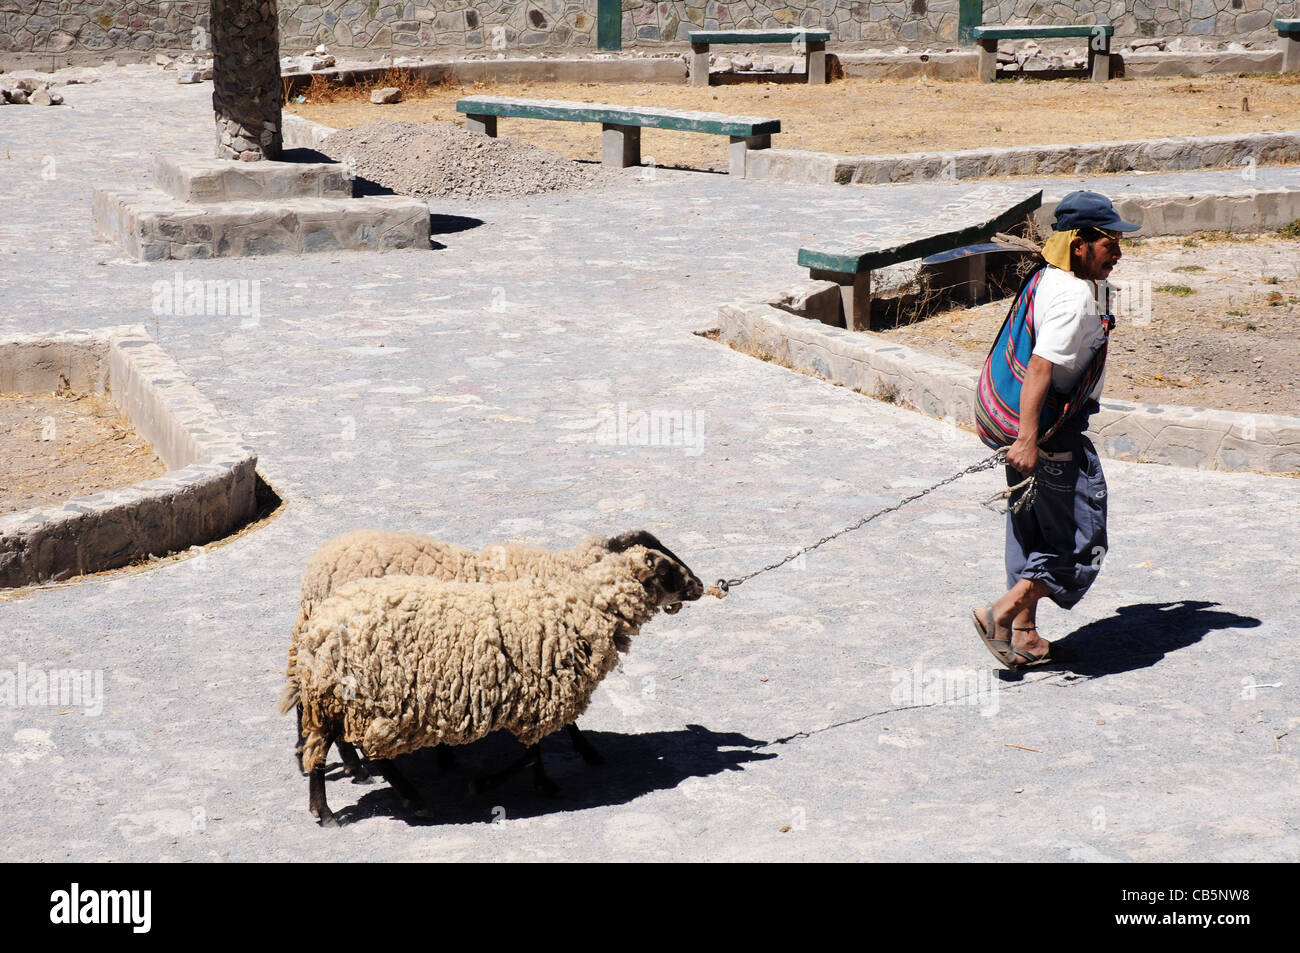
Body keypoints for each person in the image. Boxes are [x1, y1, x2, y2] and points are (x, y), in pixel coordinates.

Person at [972, 191, 1139, 668]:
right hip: (1048, 434)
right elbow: (1042, 367)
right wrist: (1028, 440)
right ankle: (1000, 612)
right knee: (1081, 541)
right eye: (1111, 242)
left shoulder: (1048, 278)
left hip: (1025, 431)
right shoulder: (1071, 298)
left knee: (1030, 530)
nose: (1120, 253)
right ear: (1081, 243)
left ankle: (1022, 633)